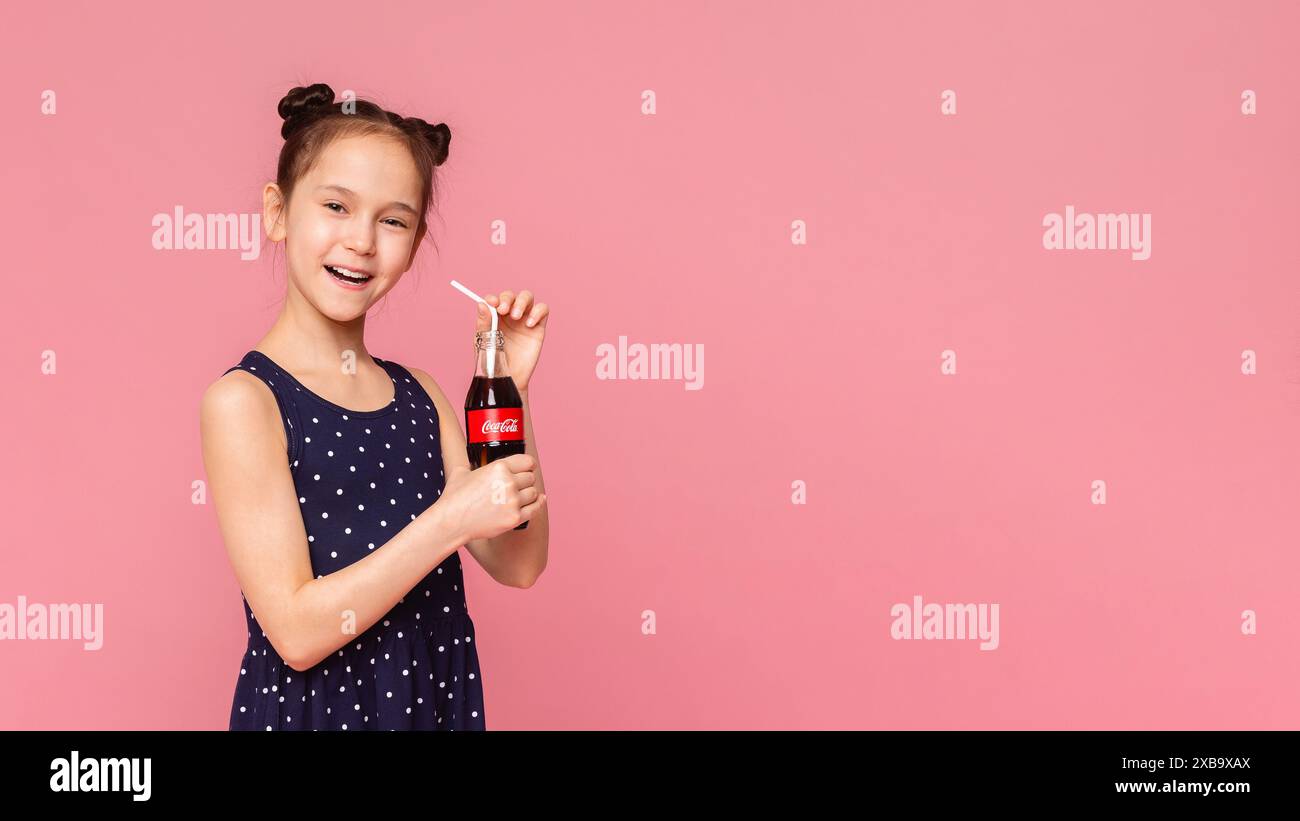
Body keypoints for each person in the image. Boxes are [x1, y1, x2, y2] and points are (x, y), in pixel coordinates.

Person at [199, 83, 550, 730]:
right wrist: (449, 520)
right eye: (336, 205)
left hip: (427, 707)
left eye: (393, 220)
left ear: (416, 243)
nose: (362, 240)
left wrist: (506, 391)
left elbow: (519, 561)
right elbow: (298, 632)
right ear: (277, 212)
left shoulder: (423, 397)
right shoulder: (246, 402)